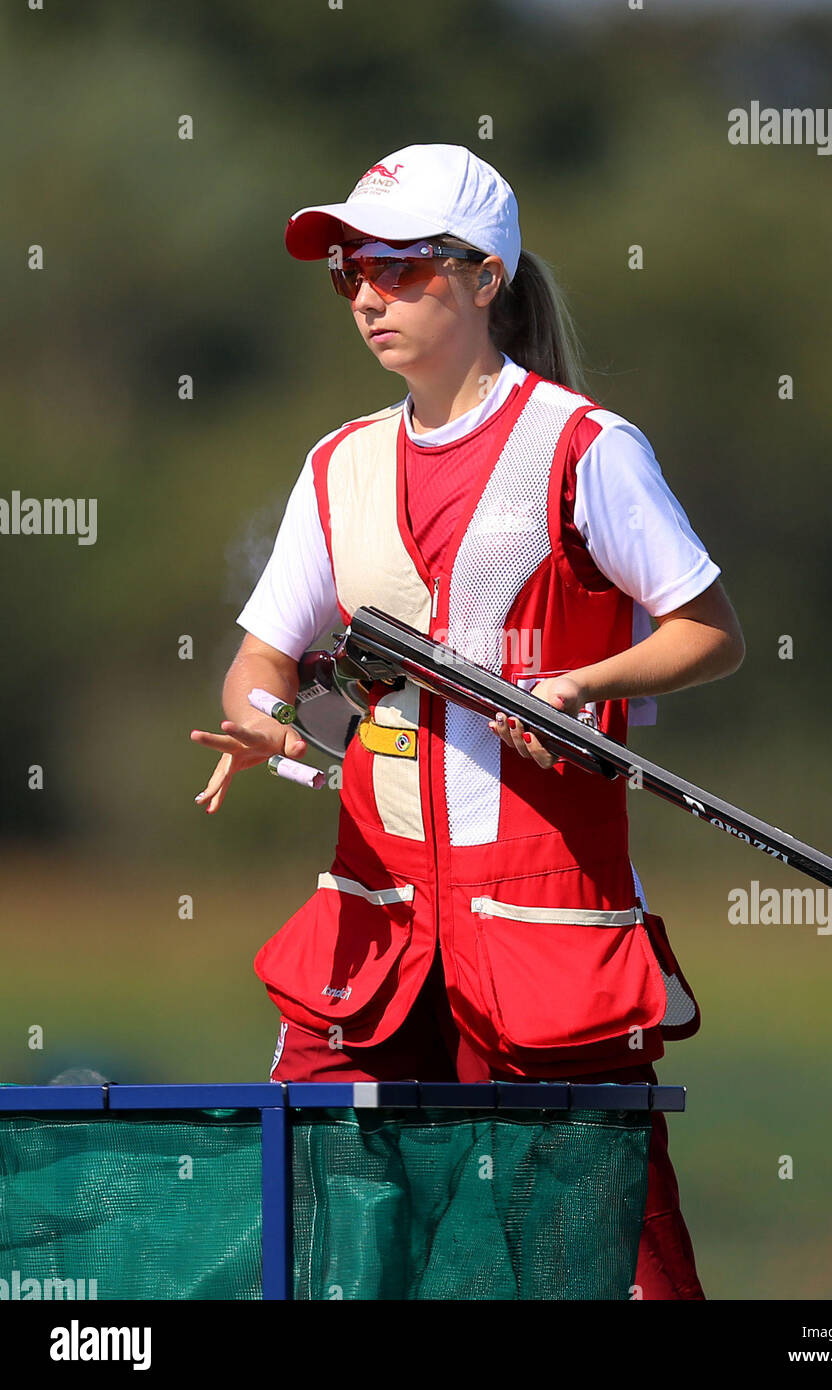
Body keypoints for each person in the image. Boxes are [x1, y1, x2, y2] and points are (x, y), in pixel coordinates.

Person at [190, 144, 745, 1300]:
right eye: (348, 268)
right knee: (325, 1268)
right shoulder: (334, 463)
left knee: (606, 1275)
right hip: (370, 945)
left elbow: (709, 631)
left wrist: (585, 685)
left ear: (483, 277)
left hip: (549, 945)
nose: (364, 293)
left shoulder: (588, 447)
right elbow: (260, 658)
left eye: (396, 267)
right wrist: (260, 715)